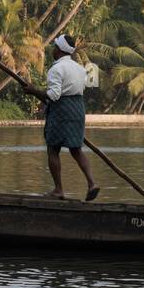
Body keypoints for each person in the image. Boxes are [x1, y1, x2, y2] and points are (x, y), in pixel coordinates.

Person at [40, 34, 99, 201]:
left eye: (55, 47)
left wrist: (33, 91)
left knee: (53, 149)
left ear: (58, 50)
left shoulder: (56, 69)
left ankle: (58, 190)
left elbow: (54, 95)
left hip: (62, 110)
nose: (53, 50)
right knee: (76, 149)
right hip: (78, 108)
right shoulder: (80, 68)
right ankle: (92, 183)